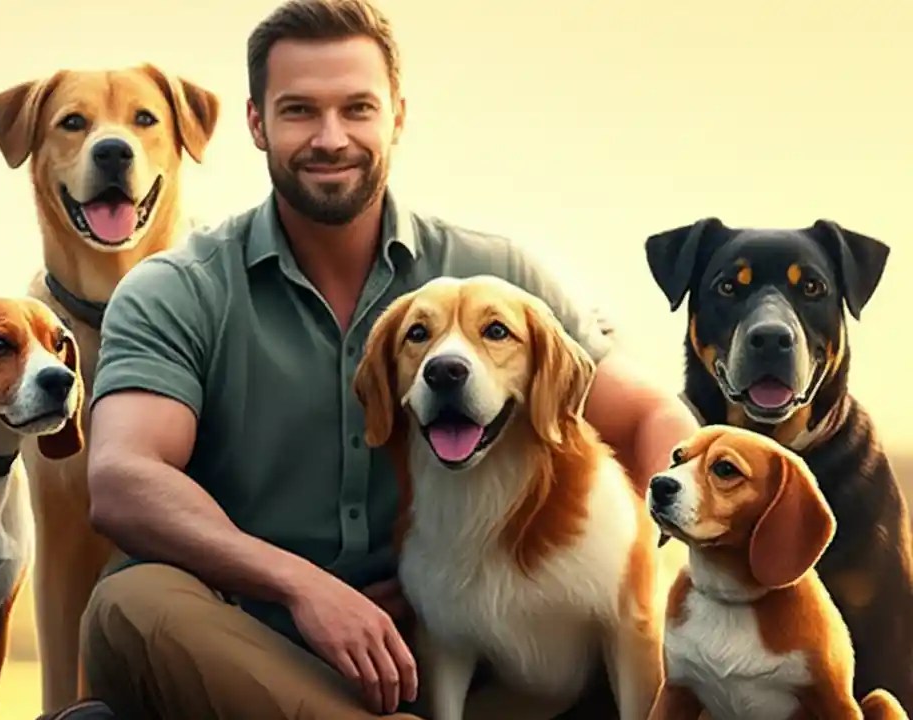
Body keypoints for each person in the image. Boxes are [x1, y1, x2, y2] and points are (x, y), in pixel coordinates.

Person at [76, 0, 700, 717]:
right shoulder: (176, 290)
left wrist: (648, 574)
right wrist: (301, 587)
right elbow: (124, 479)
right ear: (256, 122)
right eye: (300, 111)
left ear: (397, 116)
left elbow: (652, 418)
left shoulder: (501, 275)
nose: (331, 137)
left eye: (358, 109)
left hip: (462, 658)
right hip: (246, 647)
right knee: (130, 601)